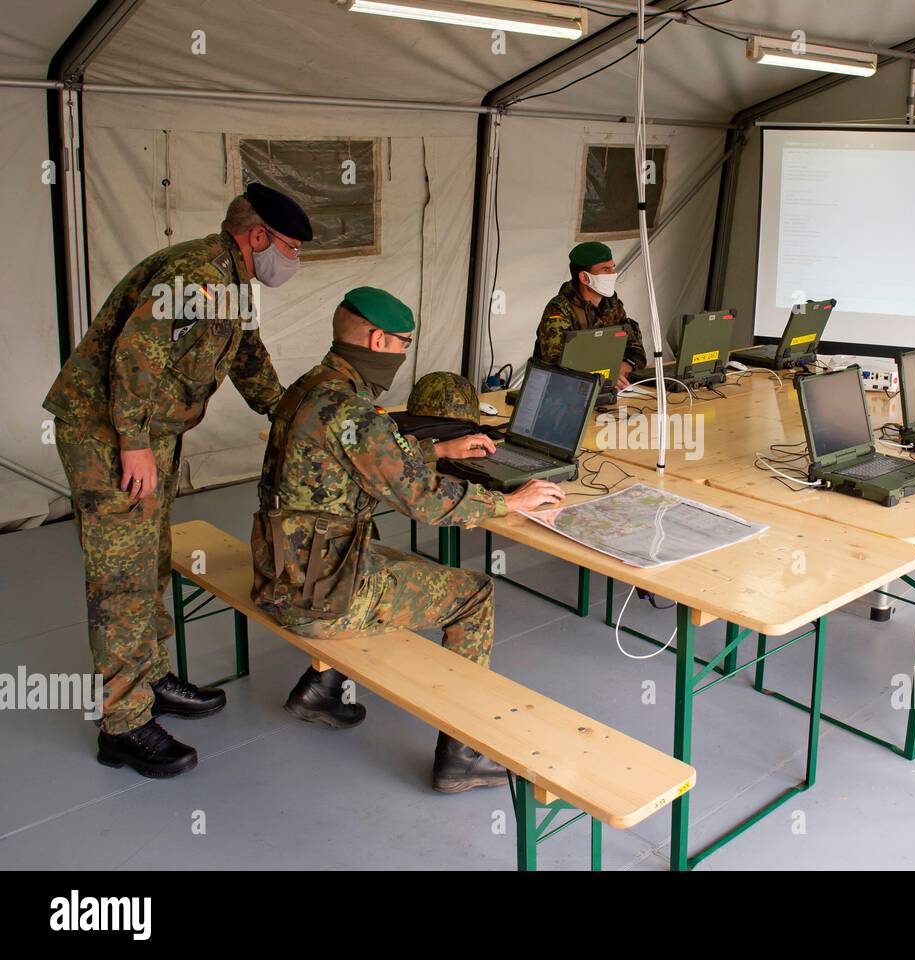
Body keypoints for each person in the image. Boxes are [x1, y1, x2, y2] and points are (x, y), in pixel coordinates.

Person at [251, 286, 565, 792]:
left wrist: (438, 447)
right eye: (401, 343)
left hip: (282, 567)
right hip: (320, 594)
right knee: (474, 595)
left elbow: (364, 455)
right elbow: (423, 501)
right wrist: (509, 502)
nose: (402, 354)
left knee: (378, 552)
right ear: (377, 340)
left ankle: (322, 687)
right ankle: (461, 754)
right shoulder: (352, 412)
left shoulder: (310, 388)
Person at [45, 183, 312, 778]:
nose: (292, 261)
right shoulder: (199, 273)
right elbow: (135, 355)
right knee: (120, 578)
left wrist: (288, 413)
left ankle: (150, 676)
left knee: (149, 558)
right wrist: (134, 442)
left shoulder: (232, 281)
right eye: (290, 248)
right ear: (258, 236)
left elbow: (247, 357)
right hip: (108, 434)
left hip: (147, 434)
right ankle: (123, 725)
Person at [533, 241, 646, 389]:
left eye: (613, 267)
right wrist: (603, 376)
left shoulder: (612, 304)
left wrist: (623, 368)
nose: (613, 274)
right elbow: (558, 366)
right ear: (585, 278)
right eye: (605, 269)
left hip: (604, 389)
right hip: (558, 393)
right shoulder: (559, 310)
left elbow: (635, 348)